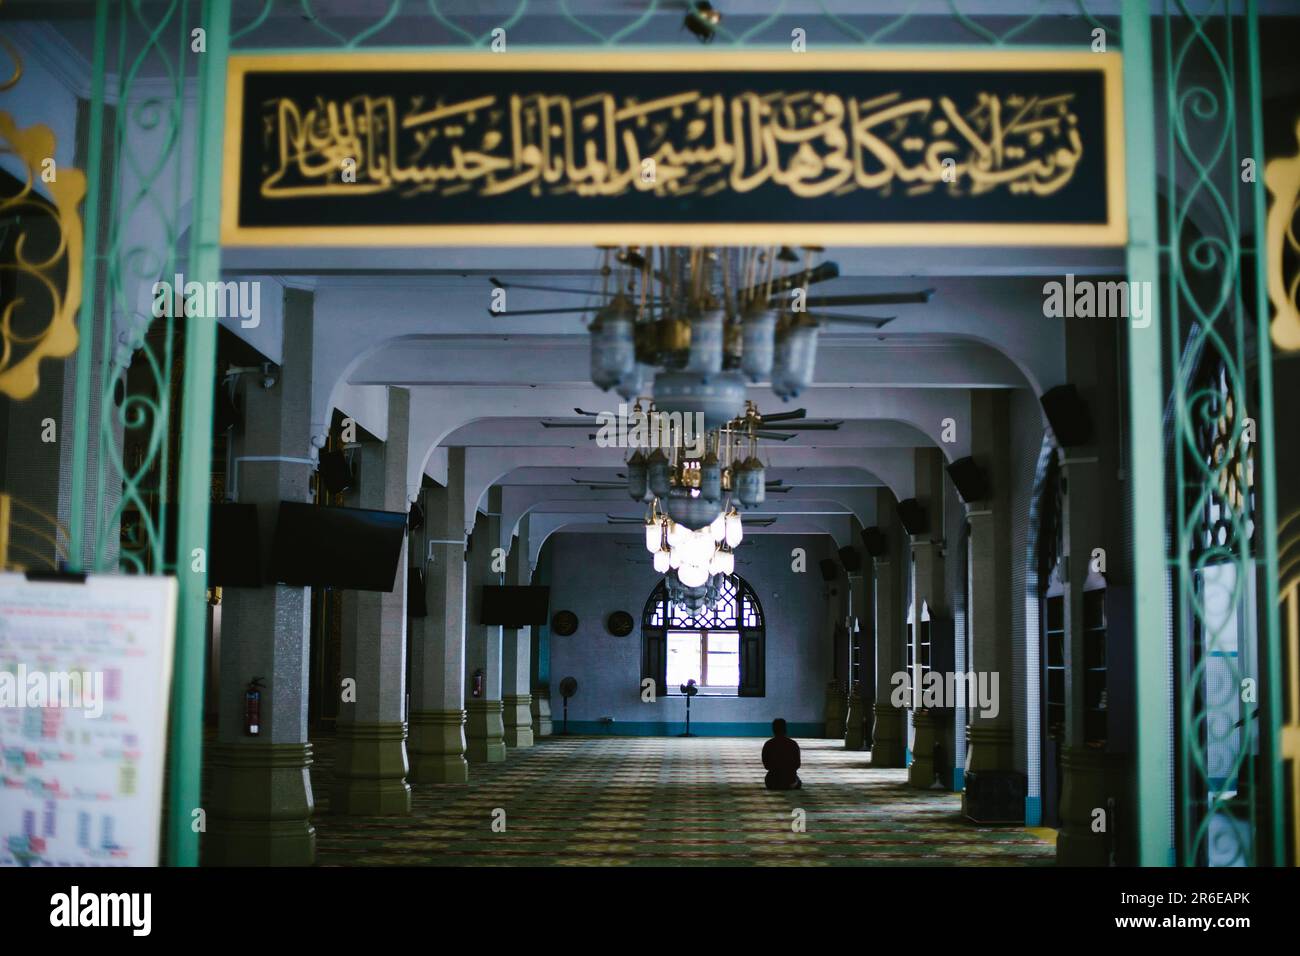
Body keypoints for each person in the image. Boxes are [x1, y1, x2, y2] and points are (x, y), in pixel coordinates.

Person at [762, 718, 802, 790]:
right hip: (790, 781)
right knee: (797, 781)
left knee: (770, 780)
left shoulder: (768, 744)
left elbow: (766, 766)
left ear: (773, 730)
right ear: (785, 729)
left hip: (772, 782)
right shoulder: (793, 744)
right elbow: (797, 764)